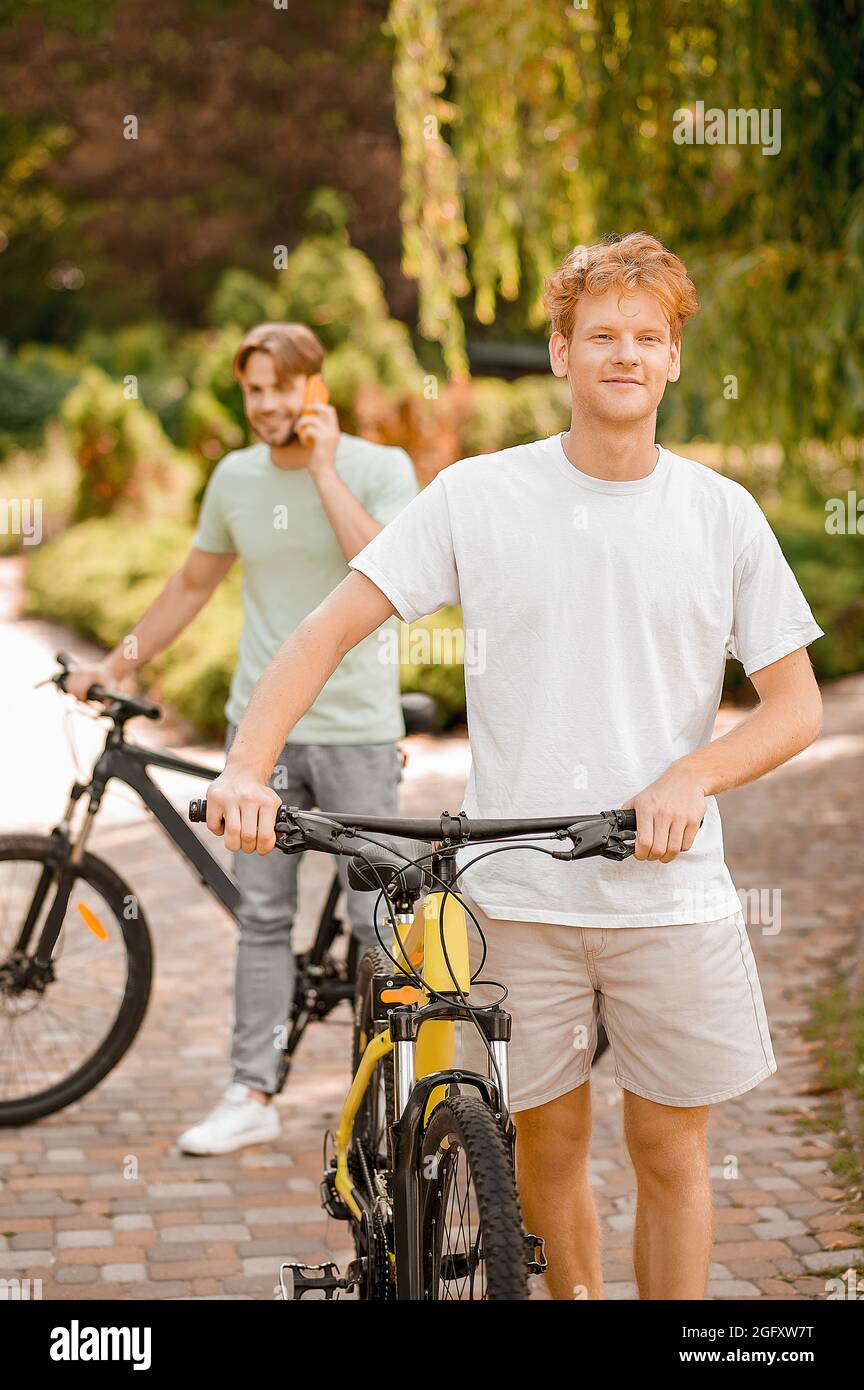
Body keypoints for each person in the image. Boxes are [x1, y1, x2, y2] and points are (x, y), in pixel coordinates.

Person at [202, 235, 825, 1299]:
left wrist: (693, 776)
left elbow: (798, 706)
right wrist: (248, 768)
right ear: (559, 352)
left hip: (668, 898)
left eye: (646, 337)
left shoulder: (721, 513)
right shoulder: (479, 496)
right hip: (519, 895)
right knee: (546, 1149)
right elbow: (323, 629)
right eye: (600, 336)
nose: (622, 355)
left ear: (674, 357)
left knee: (672, 1152)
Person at [67, 321, 417, 1154]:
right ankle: (251, 1093)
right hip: (262, 740)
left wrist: (325, 470)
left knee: (378, 922)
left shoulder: (378, 468)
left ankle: (392, 1100)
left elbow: (393, 570)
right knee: (262, 916)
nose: (264, 405)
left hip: (359, 730)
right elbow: (193, 581)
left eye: (279, 387)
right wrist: (119, 663)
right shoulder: (234, 477)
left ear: (315, 387)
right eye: (252, 389)